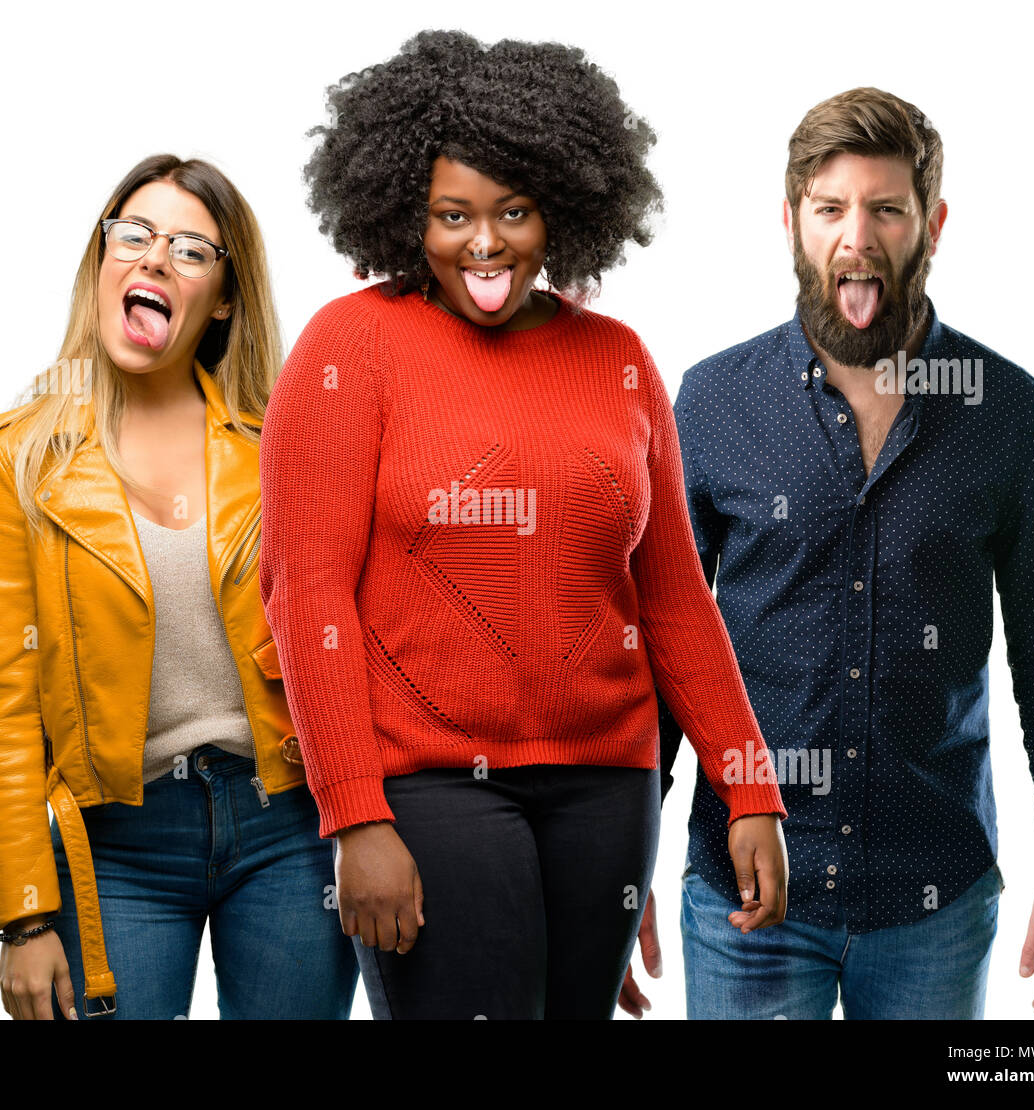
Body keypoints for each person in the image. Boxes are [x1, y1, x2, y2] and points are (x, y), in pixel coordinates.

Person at [258, 30, 788, 1021]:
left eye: (513, 212)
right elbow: (307, 596)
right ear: (403, 215)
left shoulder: (617, 357)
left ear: (566, 212)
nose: (485, 244)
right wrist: (352, 813)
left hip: (607, 788)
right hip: (428, 786)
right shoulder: (350, 348)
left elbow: (673, 598)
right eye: (451, 216)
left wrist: (748, 783)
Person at [645, 87, 1034, 1019]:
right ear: (791, 221)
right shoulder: (712, 403)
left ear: (931, 223)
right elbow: (661, 639)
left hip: (933, 903)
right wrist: (617, 869)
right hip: (748, 898)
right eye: (829, 209)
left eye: (886, 208)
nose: (855, 237)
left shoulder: (1006, 410)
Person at [0, 154, 358, 1019]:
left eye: (189, 249)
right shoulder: (18, 456)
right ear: (101, 262)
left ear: (222, 296)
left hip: (287, 829)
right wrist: (23, 916)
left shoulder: (281, 444)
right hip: (114, 848)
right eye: (134, 234)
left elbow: (350, 641)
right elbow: (2, 698)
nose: (152, 259)